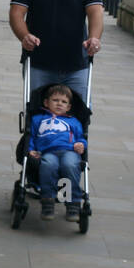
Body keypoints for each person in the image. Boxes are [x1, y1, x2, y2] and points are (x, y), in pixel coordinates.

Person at [26, 84, 87, 222]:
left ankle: (72, 203)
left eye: (64, 102)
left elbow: (81, 138)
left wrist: (81, 145)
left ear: (69, 107)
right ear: (46, 103)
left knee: (69, 166)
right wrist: (30, 150)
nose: (59, 104)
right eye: (55, 100)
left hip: (69, 150)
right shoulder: (38, 119)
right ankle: (48, 200)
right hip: (47, 152)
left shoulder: (73, 121)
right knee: (48, 166)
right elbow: (31, 137)